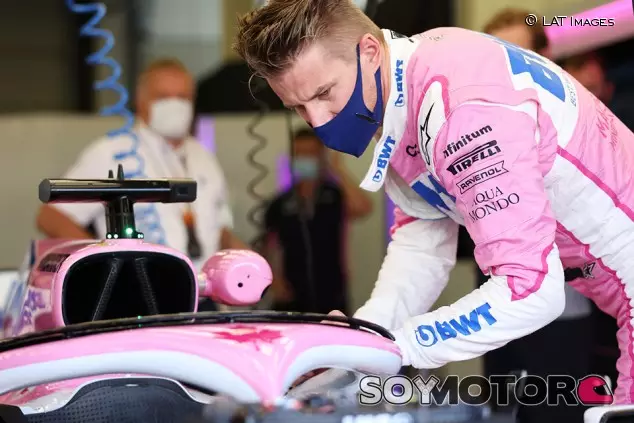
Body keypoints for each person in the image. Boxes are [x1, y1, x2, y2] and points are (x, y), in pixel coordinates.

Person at [233, 0, 634, 403]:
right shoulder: (404, 89)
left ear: (369, 51)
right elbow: (421, 245)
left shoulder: (459, 111)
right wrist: (363, 339)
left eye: (324, 93)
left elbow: (527, 289)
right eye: (298, 107)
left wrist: (398, 347)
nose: (318, 121)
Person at [36, 58, 248, 309]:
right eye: (164, 96)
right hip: (142, 294)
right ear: (141, 101)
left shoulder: (204, 157)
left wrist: (248, 262)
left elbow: (219, 229)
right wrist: (102, 262)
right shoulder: (114, 151)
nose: (175, 104)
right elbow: (50, 217)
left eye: (183, 96)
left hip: (201, 294)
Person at [478, 9, 594, 421]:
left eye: (515, 54)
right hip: (497, 316)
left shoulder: (576, 127)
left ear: (544, 59)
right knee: (502, 412)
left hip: (561, 314)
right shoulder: (479, 124)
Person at [263, 127, 373, 314]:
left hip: (332, 293)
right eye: (300, 154)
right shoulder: (280, 203)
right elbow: (268, 247)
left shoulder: (335, 195)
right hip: (291, 296)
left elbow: (364, 208)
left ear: (321, 156)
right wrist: (273, 281)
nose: (305, 159)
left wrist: (338, 169)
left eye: (311, 153)